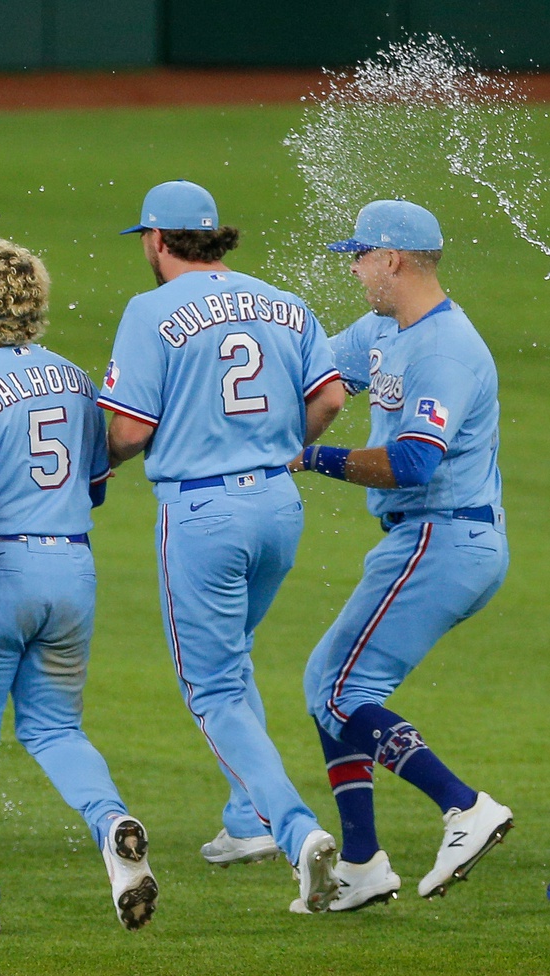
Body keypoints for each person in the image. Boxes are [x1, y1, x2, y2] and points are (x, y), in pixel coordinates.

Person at [99, 180, 347, 912]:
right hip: (278, 505)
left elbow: (130, 431)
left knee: (207, 686)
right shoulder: (283, 300)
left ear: (156, 240)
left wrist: (94, 465)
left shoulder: (150, 312)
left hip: (203, 516)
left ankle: (291, 826)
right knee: (230, 658)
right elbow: (330, 399)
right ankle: (244, 821)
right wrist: (274, 446)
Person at [0, 239, 156, 935]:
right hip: (72, 572)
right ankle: (111, 821)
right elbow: (92, 486)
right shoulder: (76, 381)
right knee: (54, 727)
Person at [295, 199, 512, 910]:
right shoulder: (382, 328)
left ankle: (462, 807)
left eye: (359, 255)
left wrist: (311, 457)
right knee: (331, 684)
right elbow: (316, 376)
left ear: (392, 259)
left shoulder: (446, 350)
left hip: (442, 535)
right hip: (428, 538)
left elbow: (414, 462)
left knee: (337, 691)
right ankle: (360, 865)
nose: (352, 268)